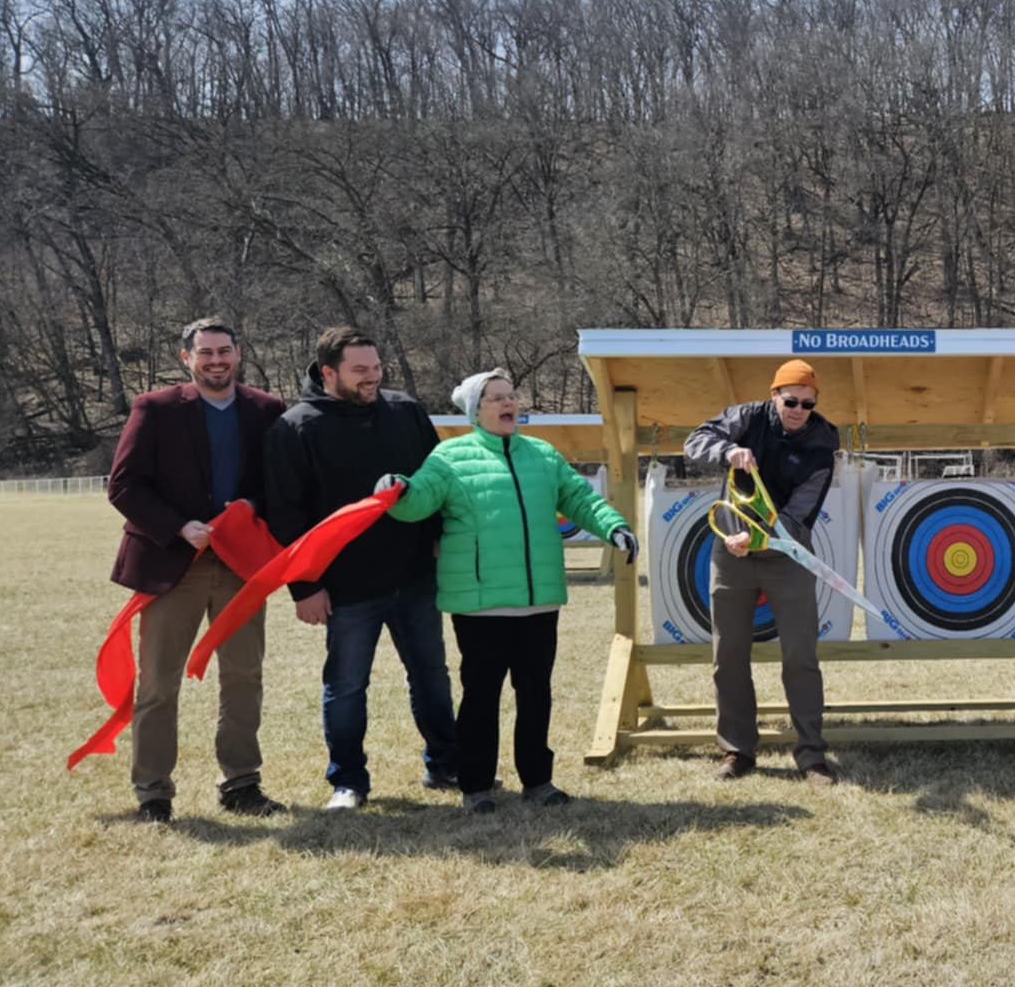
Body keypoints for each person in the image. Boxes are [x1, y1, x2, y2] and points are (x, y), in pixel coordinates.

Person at [382, 370, 637, 814]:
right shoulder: (449, 457)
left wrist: (613, 527)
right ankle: (476, 786)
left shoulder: (542, 454)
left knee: (536, 693)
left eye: (511, 396)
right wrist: (397, 490)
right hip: (481, 604)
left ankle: (538, 781)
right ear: (474, 411)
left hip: (539, 600)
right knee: (481, 697)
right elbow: (417, 501)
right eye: (496, 398)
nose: (508, 404)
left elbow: (580, 499)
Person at [263, 326, 460, 810]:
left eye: (376, 368)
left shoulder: (406, 412)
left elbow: (436, 480)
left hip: (414, 577)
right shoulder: (296, 427)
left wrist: (438, 541)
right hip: (346, 586)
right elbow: (285, 515)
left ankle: (446, 765)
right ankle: (348, 782)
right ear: (328, 372)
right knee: (347, 685)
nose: (372, 378)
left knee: (432, 675)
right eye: (360, 370)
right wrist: (305, 586)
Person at [105, 316, 286, 823]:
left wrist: (251, 508)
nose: (215, 360)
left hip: (238, 567)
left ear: (238, 353)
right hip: (172, 565)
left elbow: (281, 484)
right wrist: (179, 526)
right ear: (186, 359)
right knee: (159, 684)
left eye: (223, 351)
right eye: (204, 353)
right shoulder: (155, 409)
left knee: (244, 677)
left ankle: (242, 783)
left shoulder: (267, 410)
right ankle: (154, 793)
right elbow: (124, 486)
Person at [683, 359, 841, 786]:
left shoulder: (823, 441)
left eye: (808, 404)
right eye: (790, 400)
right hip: (729, 552)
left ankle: (811, 756)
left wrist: (756, 539)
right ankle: (738, 751)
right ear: (774, 395)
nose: (798, 410)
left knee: (800, 656)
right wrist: (726, 450)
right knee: (728, 654)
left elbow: (800, 513)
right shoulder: (746, 417)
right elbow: (694, 441)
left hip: (787, 553)